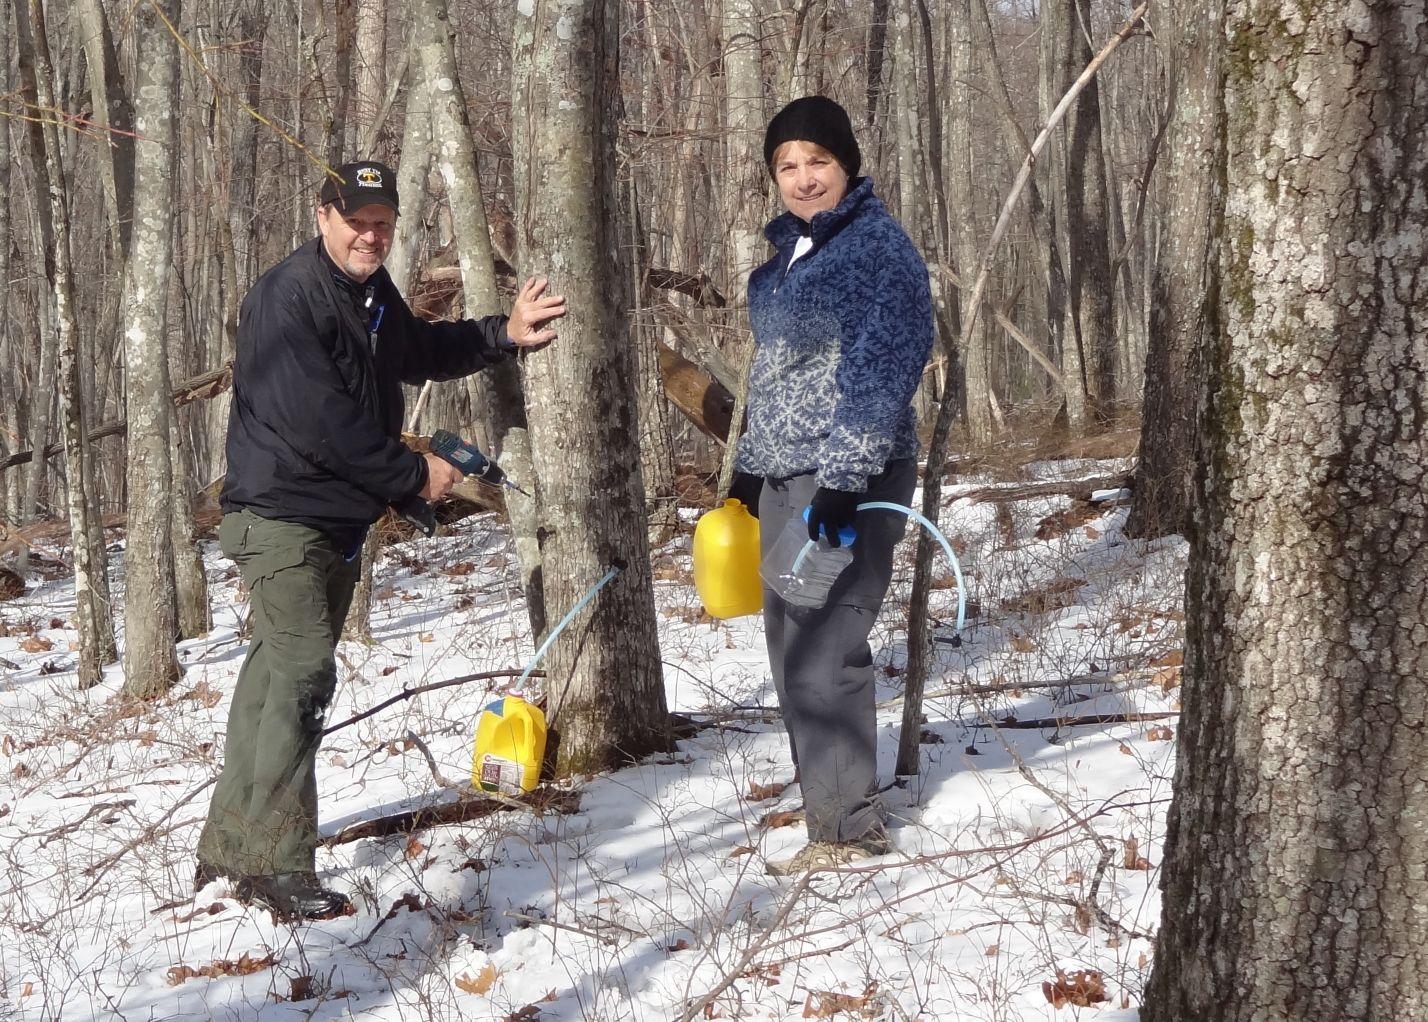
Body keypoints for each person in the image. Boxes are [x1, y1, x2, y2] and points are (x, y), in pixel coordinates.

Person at [195, 160, 566, 920]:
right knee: (300, 680)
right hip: (281, 518)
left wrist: (504, 334)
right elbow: (320, 424)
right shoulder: (289, 297)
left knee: (272, 679)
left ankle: (228, 848)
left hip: (328, 521)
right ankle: (275, 866)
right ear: (323, 214)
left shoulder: (367, 294)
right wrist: (411, 473)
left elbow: (419, 350)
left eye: (383, 224)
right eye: (357, 220)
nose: (371, 235)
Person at [728, 97, 934, 875]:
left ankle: (848, 836)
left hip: (849, 479)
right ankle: (829, 806)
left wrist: (844, 483)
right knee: (789, 645)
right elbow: (775, 376)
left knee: (824, 648)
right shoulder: (784, 262)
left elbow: (882, 374)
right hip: (787, 474)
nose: (804, 177)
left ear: (846, 163)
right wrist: (750, 465)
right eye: (787, 165)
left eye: (817, 159)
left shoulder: (877, 251)